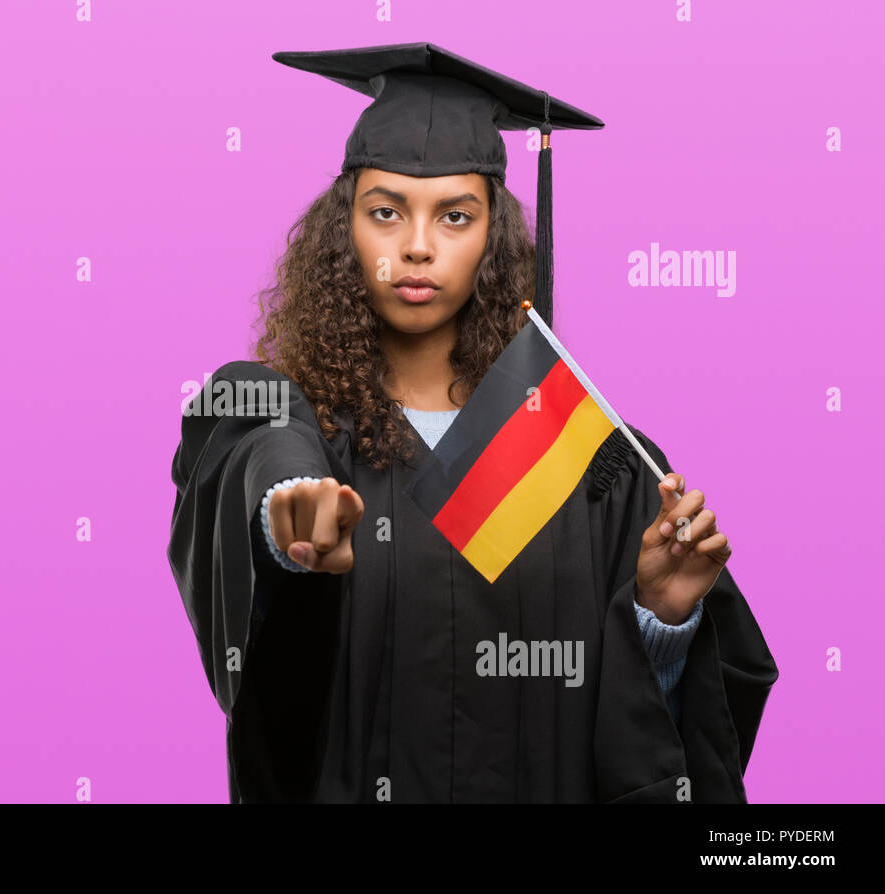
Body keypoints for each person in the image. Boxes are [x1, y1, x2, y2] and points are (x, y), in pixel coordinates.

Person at [167, 42, 778, 803]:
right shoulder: (302, 425)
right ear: (343, 230)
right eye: (385, 212)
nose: (417, 247)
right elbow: (262, 440)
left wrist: (660, 620)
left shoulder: (584, 454)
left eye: (455, 216)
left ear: (494, 236)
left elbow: (681, 726)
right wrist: (286, 509)